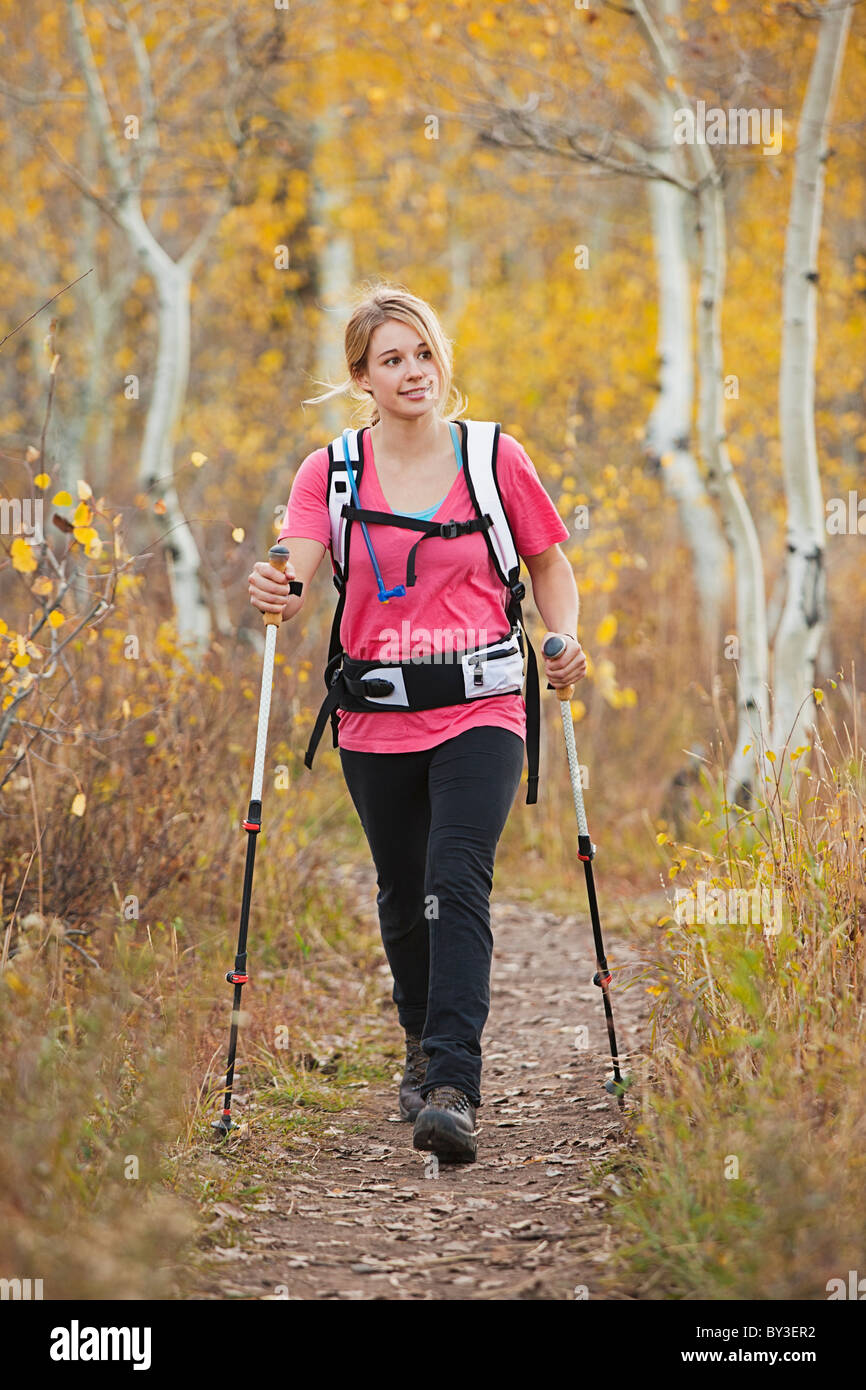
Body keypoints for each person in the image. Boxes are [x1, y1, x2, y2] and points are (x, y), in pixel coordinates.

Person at [249, 283, 586, 1163]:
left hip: (483, 704)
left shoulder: (494, 457)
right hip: (375, 715)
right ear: (362, 376)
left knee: (456, 875)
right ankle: (417, 1040)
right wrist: (275, 582)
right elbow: (298, 555)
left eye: (424, 354)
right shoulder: (330, 471)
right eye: (391, 359)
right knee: (404, 894)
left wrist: (564, 636)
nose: (412, 372)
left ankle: (451, 1084)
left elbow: (549, 563)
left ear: (443, 362)